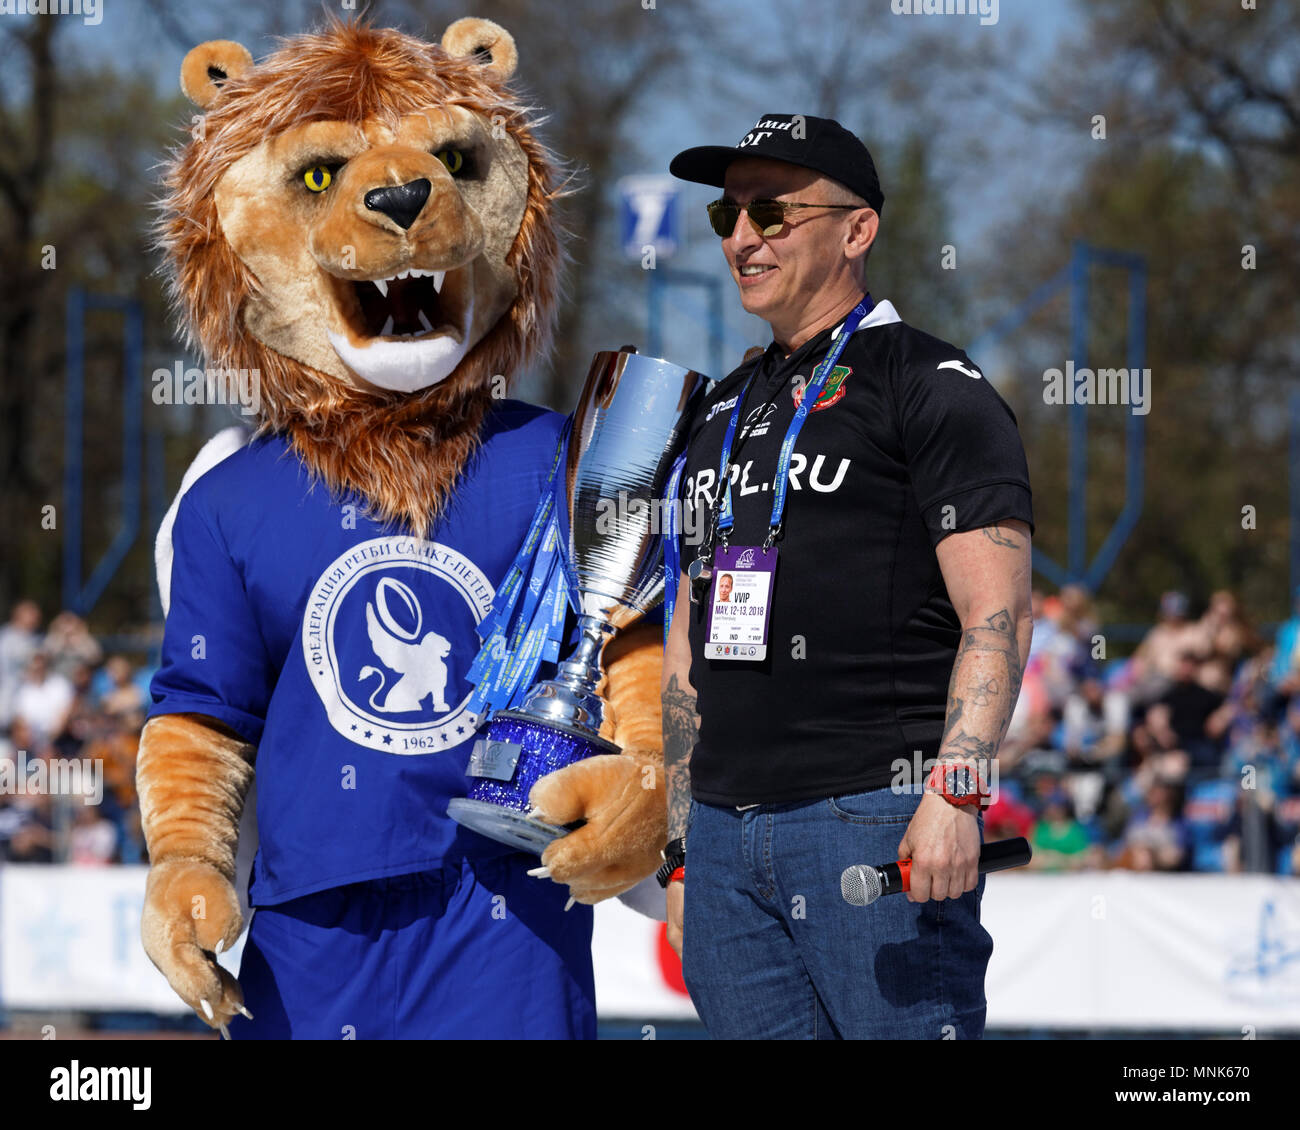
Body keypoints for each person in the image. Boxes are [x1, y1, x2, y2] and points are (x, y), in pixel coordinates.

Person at [658, 113, 1034, 1039]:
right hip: (720, 835)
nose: (743, 237)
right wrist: (677, 846)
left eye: (773, 212)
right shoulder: (716, 405)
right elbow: (687, 630)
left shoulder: (929, 380)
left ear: (856, 230)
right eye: (729, 215)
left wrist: (956, 792)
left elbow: (999, 609)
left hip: (871, 813)